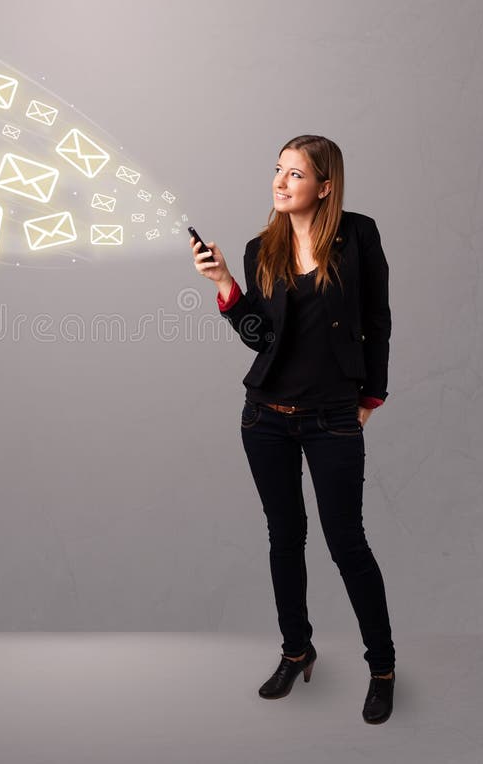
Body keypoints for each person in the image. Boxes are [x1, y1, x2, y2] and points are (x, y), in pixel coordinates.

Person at [190, 134, 396, 725]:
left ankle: (381, 668)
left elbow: (378, 319)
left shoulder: (358, 235)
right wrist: (226, 284)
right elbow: (260, 335)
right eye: (278, 170)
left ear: (325, 186)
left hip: (334, 416)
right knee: (285, 539)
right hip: (266, 419)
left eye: (296, 174)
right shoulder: (262, 247)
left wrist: (372, 395)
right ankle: (295, 650)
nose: (281, 183)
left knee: (346, 543)